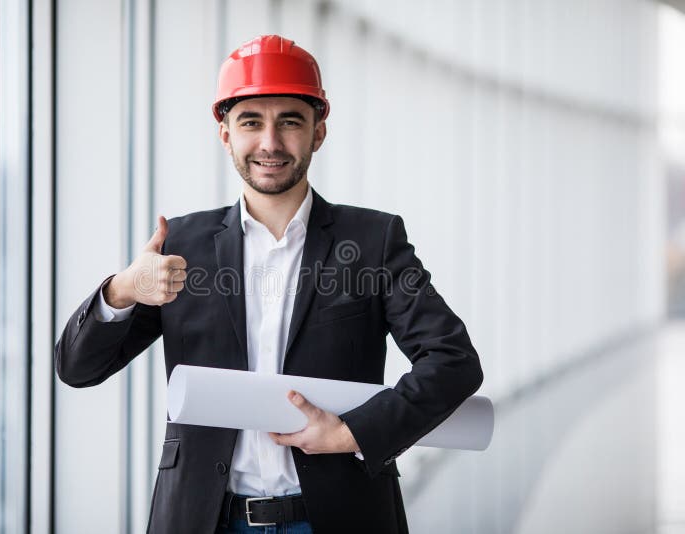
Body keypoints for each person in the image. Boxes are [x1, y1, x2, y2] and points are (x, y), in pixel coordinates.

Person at [56, 34, 483, 534]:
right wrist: (122, 291)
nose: (270, 143)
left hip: (338, 517)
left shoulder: (372, 241)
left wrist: (353, 432)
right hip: (205, 519)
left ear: (318, 132)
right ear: (225, 134)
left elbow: (453, 362)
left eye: (291, 122)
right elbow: (77, 369)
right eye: (251, 122)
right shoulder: (182, 246)